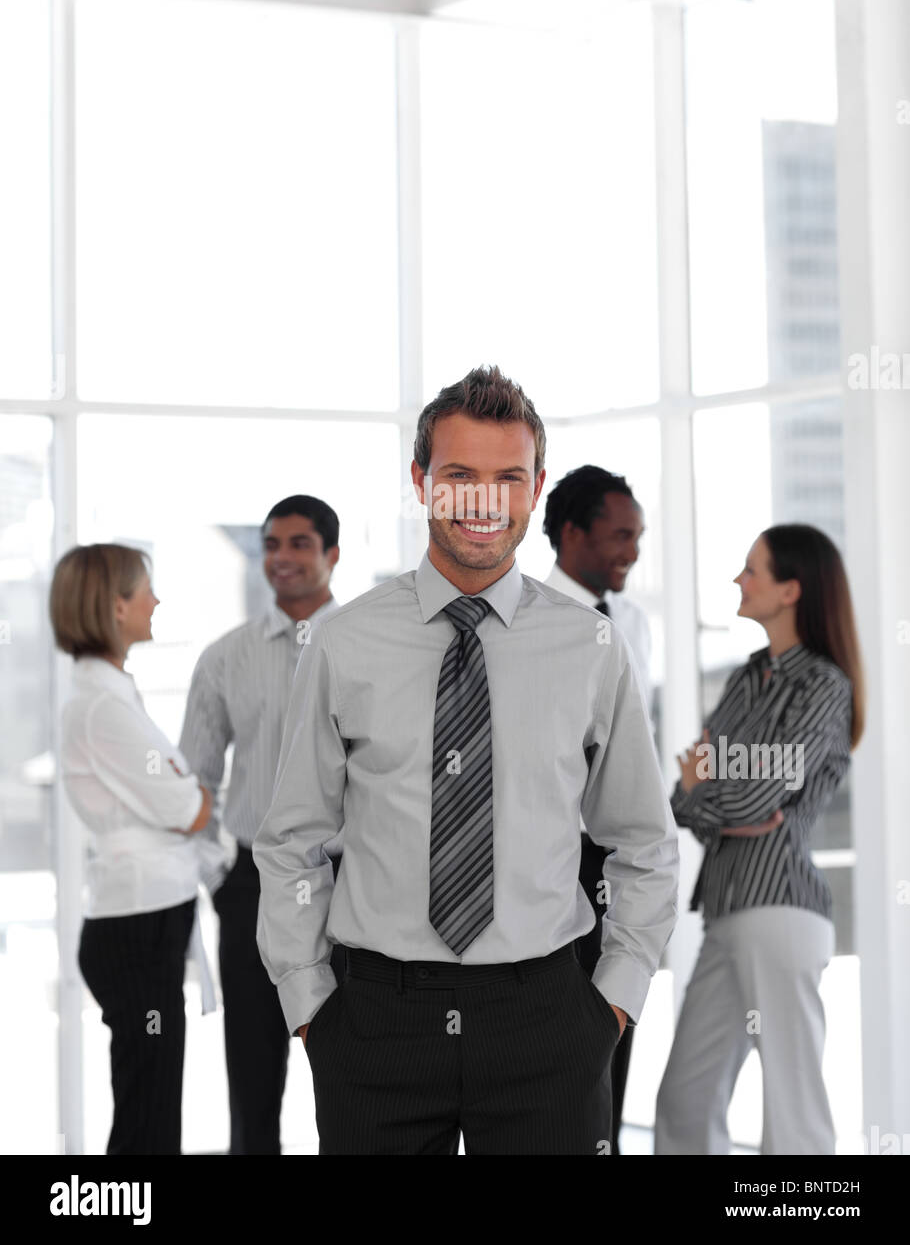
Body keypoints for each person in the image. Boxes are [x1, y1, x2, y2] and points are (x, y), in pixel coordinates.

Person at [254, 365, 678, 1155]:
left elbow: (643, 840)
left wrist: (612, 1004)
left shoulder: (589, 647)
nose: (484, 500)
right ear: (421, 481)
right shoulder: (345, 643)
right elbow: (291, 840)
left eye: (508, 477)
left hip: (547, 1020)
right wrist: (312, 1006)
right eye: (459, 475)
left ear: (536, 489)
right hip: (377, 1025)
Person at [655, 524, 864, 1156]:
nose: (738, 581)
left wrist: (711, 787)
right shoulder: (748, 679)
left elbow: (744, 794)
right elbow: (687, 799)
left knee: (792, 1111)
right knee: (684, 1103)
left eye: (752, 570)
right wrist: (715, 791)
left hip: (782, 912)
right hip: (724, 912)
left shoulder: (824, 686)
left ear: (791, 589)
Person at [179, 494, 342, 1155]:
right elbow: (194, 778)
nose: (282, 558)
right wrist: (219, 873)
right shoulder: (226, 657)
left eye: (300, 544)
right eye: (272, 544)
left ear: (332, 554)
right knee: (252, 1071)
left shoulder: (373, 648)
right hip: (251, 884)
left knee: (352, 1070)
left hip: (350, 880)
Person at [51, 543, 212, 1155]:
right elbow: (188, 806)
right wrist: (189, 795)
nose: (156, 601)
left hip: (147, 923)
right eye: (146, 589)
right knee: (147, 1124)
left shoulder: (113, 696)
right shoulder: (102, 709)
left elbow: (181, 799)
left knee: (152, 1112)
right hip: (137, 930)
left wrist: (186, 795)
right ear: (115, 607)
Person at [542, 464, 653, 1154]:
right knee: (552, 1042)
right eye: (619, 535)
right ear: (572, 533)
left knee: (617, 1026)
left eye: (638, 536)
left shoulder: (634, 623)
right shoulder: (528, 620)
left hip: (624, 856)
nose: (632, 550)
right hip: (556, 858)